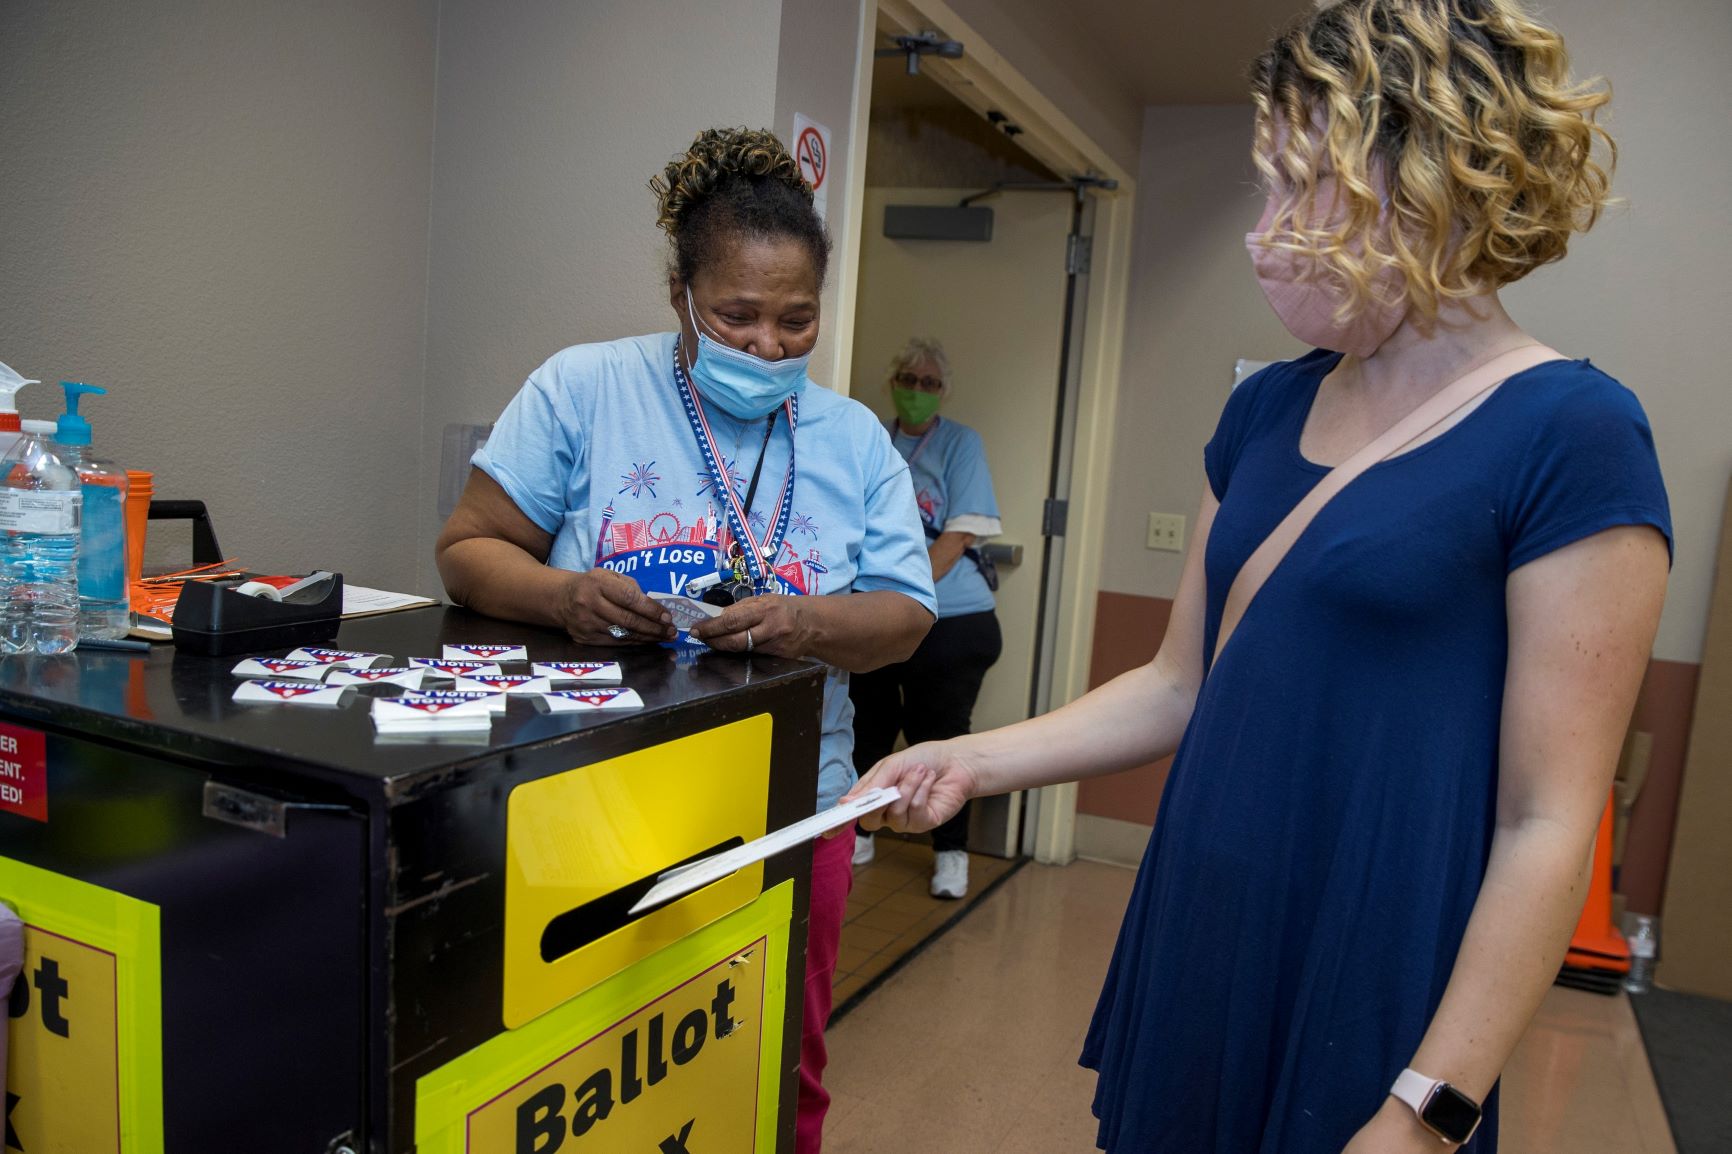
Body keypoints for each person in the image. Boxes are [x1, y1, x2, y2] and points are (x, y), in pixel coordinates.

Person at [849, 1, 1671, 1150]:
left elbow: (1547, 821)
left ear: (1429, 179)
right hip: (1208, 917)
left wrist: (1427, 1109)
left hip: (1375, 960)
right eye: (1266, 184)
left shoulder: (1572, 433)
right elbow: (1178, 682)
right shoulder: (1265, 408)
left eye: (1302, 184)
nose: (1265, 229)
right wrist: (970, 757)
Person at [435, 126, 937, 1153]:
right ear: (679, 294)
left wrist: (804, 619)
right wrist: (563, 595)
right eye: (735, 315)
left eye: (796, 320)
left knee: (771, 1063)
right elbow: (467, 549)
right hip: (589, 801)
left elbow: (904, 618)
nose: (768, 347)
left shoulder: (854, 441)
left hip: (790, 807)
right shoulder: (584, 389)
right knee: (590, 1069)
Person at [849, 338, 1003, 898]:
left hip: (952, 618)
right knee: (867, 724)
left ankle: (951, 852)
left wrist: (904, 595)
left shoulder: (961, 443)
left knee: (939, 734)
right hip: (878, 612)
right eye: (909, 380)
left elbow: (959, 534)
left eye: (930, 383)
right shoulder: (872, 437)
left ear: (943, 392)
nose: (918, 390)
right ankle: (861, 831)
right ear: (893, 383)